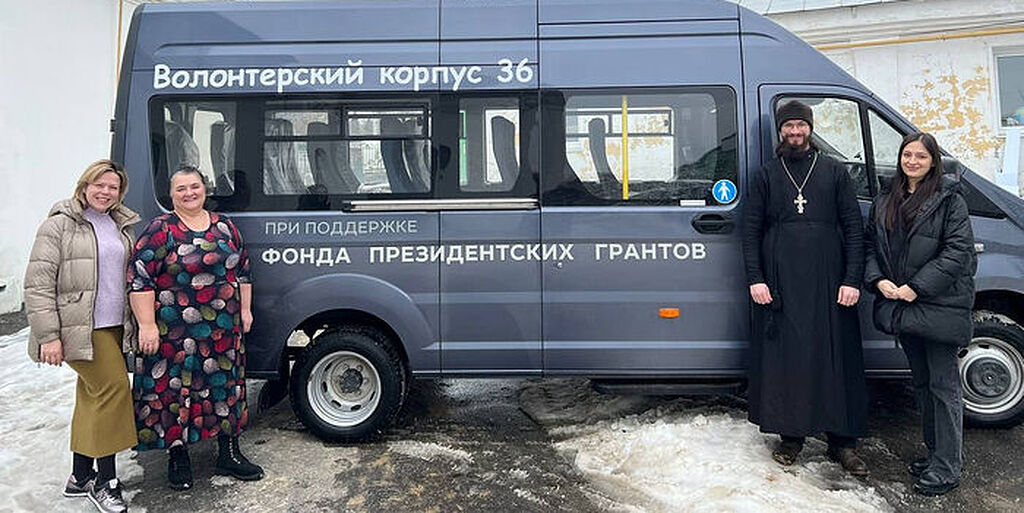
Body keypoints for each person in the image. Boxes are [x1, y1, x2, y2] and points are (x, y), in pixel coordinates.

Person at [742, 100, 869, 475]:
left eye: (801, 125)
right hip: (780, 283)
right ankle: (791, 437)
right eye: (789, 126)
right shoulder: (766, 174)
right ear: (780, 130)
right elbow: (750, 231)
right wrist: (756, 278)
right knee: (788, 359)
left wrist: (852, 279)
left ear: (810, 129)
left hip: (830, 281)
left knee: (836, 356)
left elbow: (854, 228)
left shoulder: (834, 171)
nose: (795, 132)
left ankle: (843, 443)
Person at [128, 165, 263, 490]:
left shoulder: (225, 226)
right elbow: (140, 279)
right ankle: (178, 457)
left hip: (222, 327)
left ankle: (229, 453)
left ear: (205, 189)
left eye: (194, 186)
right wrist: (146, 325)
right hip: (174, 330)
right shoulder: (160, 229)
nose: (189, 193)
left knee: (225, 386)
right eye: (181, 189)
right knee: (175, 390)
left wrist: (245, 310)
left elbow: (242, 270)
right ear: (171, 195)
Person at [864, 132, 975, 496]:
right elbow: (870, 245)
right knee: (924, 385)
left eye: (921, 156)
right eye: (907, 154)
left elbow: (957, 252)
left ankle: (947, 467)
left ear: (933, 162)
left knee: (944, 387)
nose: (912, 161)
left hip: (938, 304)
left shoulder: (949, 199)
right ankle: (934, 455)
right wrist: (877, 280)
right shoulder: (887, 197)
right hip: (902, 305)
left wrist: (917, 287)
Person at [25, 159, 139, 513]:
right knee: (114, 391)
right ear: (84, 186)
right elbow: (38, 284)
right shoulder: (59, 225)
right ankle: (106, 482)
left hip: (113, 325)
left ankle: (80, 476)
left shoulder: (119, 224)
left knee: (93, 396)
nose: (105, 192)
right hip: (79, 327)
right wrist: (49, 336)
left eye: (113, 187)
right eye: (99, 185)